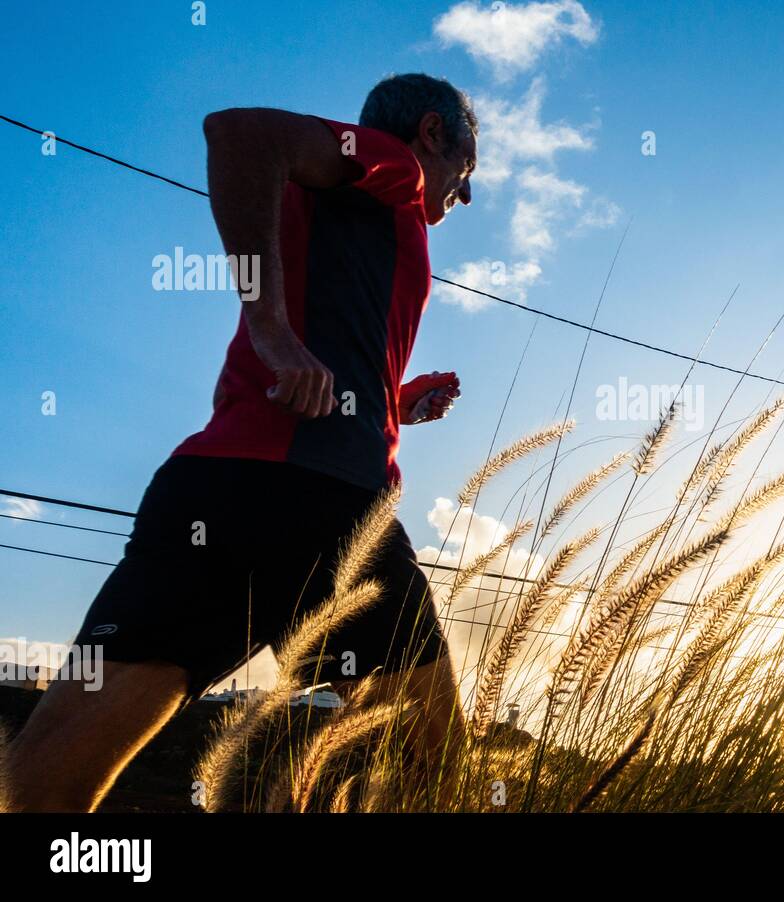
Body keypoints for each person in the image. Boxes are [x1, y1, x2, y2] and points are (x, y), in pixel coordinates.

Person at [8, 73, 476, 812]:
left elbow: (330, 353)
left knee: (44, 782)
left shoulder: (368, 216)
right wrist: (270, 328)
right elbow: (241, 133)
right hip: (323, 506)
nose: (465, 193)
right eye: (467, 167)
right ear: (430, 132)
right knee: (436, 769)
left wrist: (396, 401)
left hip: (215, 493)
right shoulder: (398, 166)